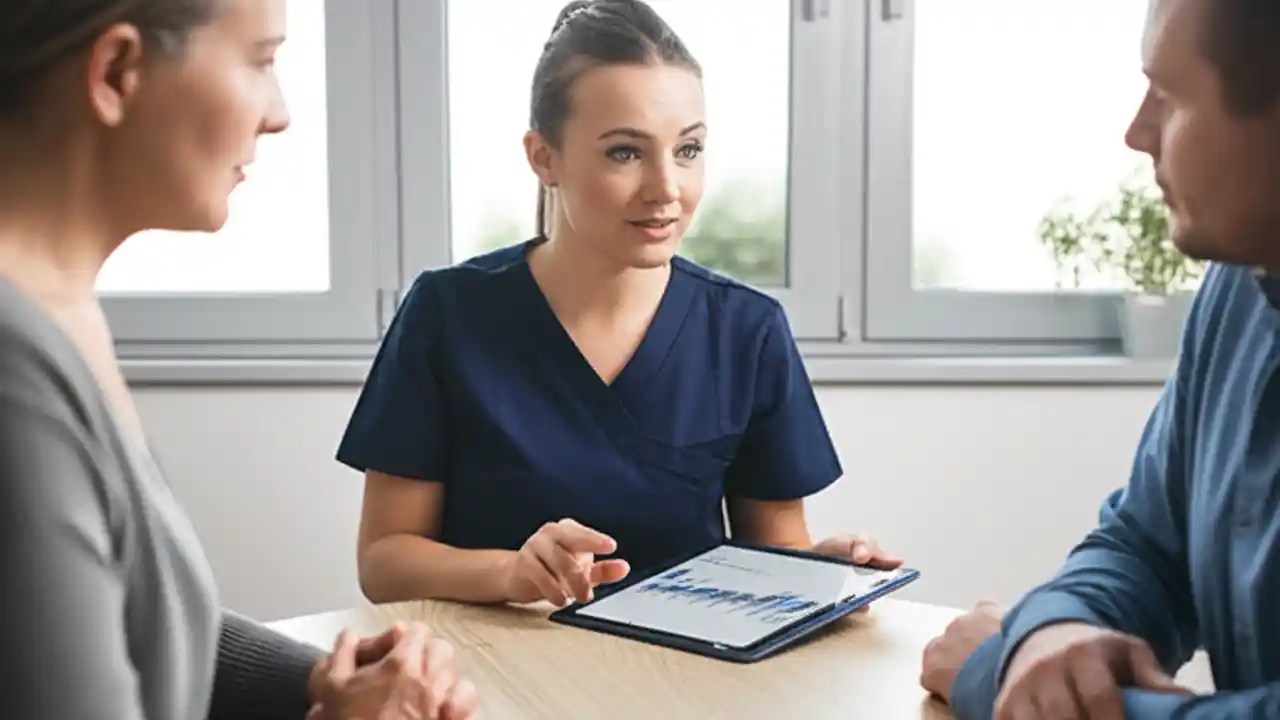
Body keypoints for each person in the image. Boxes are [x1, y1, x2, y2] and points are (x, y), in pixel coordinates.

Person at [0, 0, 477, 718]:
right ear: (118, 71)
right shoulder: (14, 372)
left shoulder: (56, 309)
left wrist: (318, 680)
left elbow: (118, 611)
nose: (279, 112)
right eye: (260, 59)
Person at [340, 0, 901, 609]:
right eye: (625, 152)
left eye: (687, 150)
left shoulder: (747, 331)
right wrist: (511, 574)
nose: (666, 189)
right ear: (543, 157)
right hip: (488, 679)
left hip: (686, 685)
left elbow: (773, 557)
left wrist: (826, 575)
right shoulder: (446, 315)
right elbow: (385, 560)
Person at [919, 0, 1280, 718]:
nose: (1137, 132)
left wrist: (996, 673)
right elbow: (1146, 545)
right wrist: (1055, 632)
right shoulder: (1239, 288)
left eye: (1171, 98)